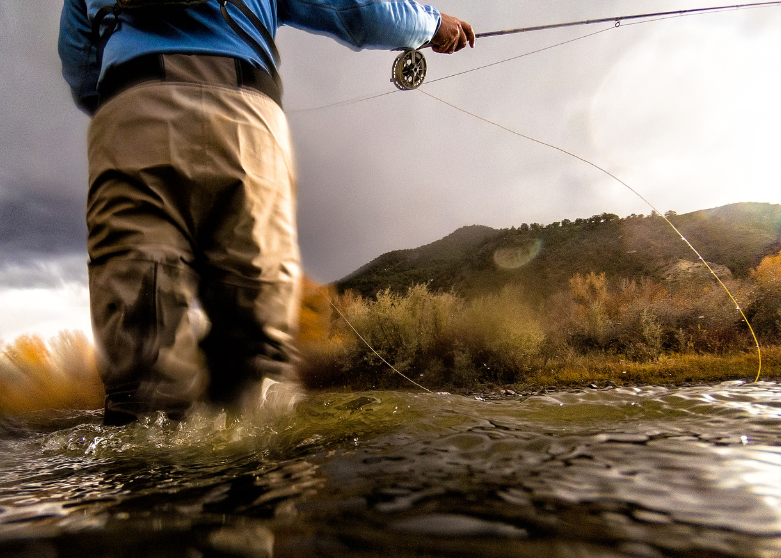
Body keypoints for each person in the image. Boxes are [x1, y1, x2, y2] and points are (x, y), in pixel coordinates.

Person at [59, 0, 474, 425]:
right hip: (247, 123)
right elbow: (358, 11)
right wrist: (432, 25)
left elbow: (80, 67)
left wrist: (130, 107)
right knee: (257, 375)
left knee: (141, 362)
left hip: (132, 121)